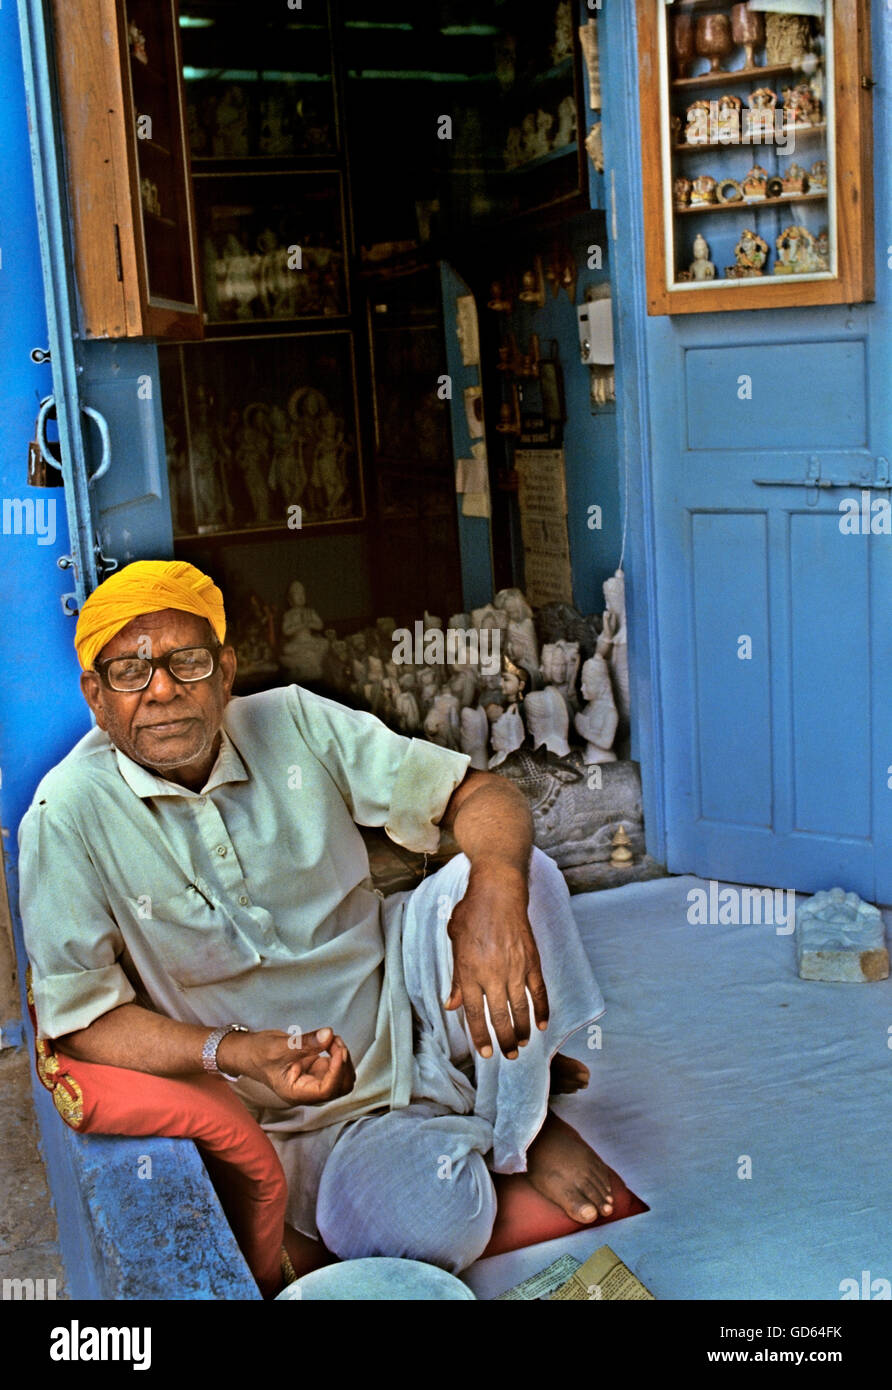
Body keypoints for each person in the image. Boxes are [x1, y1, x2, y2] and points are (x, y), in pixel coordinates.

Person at [19, 560, 613, 1273]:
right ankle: (495, 1107)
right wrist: (233, 1052)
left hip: (410, 994)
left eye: (188, 661)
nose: (164, 689)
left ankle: (518, 1129)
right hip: (307, 1118)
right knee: (432, 1226)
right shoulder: (66, 814)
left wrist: (493, 888)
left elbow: (479, 796)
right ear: (95, 696)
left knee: (531, 882)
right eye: (129, 672)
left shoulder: (292, 719)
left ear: (227, 670)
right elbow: (82, 1019)